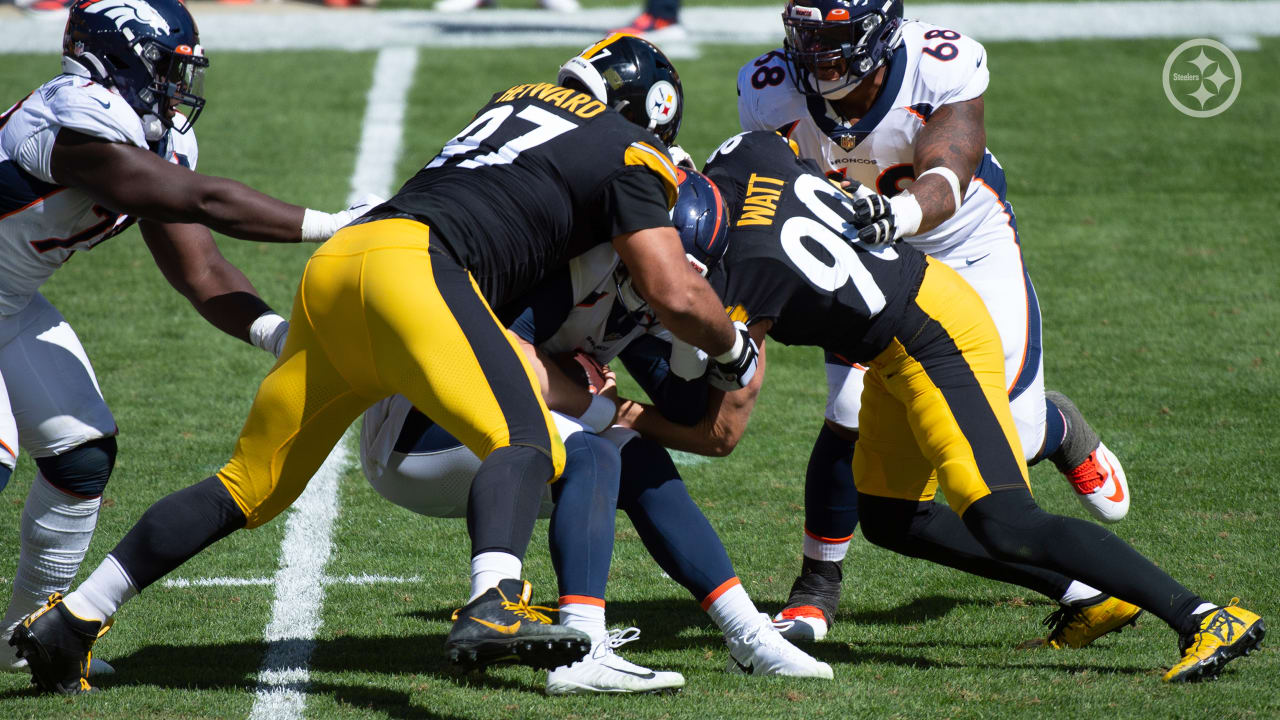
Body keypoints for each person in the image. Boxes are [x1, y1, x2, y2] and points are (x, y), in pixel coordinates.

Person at [10, 34, 760, 695]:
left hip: (344, 263)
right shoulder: (633, 153)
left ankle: (75, 619)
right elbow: (668, 286)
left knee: (246, 485)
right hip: (418, 271)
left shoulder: (516, 101)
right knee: (524, 438)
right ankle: (494, 597)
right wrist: (732, 347)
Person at [628, 129, 1264, 683]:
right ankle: (1093, 597)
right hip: (894, 336)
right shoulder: (745, 155)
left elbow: (719, 431)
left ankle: (1205, 616)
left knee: (1005, 518)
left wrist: (620, 410)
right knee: (891, 516)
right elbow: (796, 163)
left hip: (934, 336)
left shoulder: (739, 280)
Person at [735, 0, 1131, 642]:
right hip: (869, 255)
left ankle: (1058, 429)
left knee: (1012, 440)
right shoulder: (768, 87)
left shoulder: (940, 64)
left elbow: (949, 171)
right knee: (848, 411)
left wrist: (901, 215)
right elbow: (776, 182)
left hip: (965, 247)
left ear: (878, 34)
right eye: (805, 37)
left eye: (833, 39)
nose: (815, 56)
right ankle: (815, 587)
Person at [0, 0, 374, 675]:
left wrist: (281, 337)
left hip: (9, 300)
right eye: (163, 67)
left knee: (80, 456)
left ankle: (19, 645)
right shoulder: (72, 113)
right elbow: (204, 202)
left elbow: (200, 268)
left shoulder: (151, 137)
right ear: (111, 55)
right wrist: (330, 223)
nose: (177, 85)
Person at [360, 171, 832, 693]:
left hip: (485, 440)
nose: (666, 289)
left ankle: (748, 636)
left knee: (635, 455)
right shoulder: (576, 261)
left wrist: (688, 345)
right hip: (413, 429)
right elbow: (504, 355)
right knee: (595, 451)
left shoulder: (644, 293)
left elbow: (691, 417)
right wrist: (589, 404)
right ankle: (580, 651)